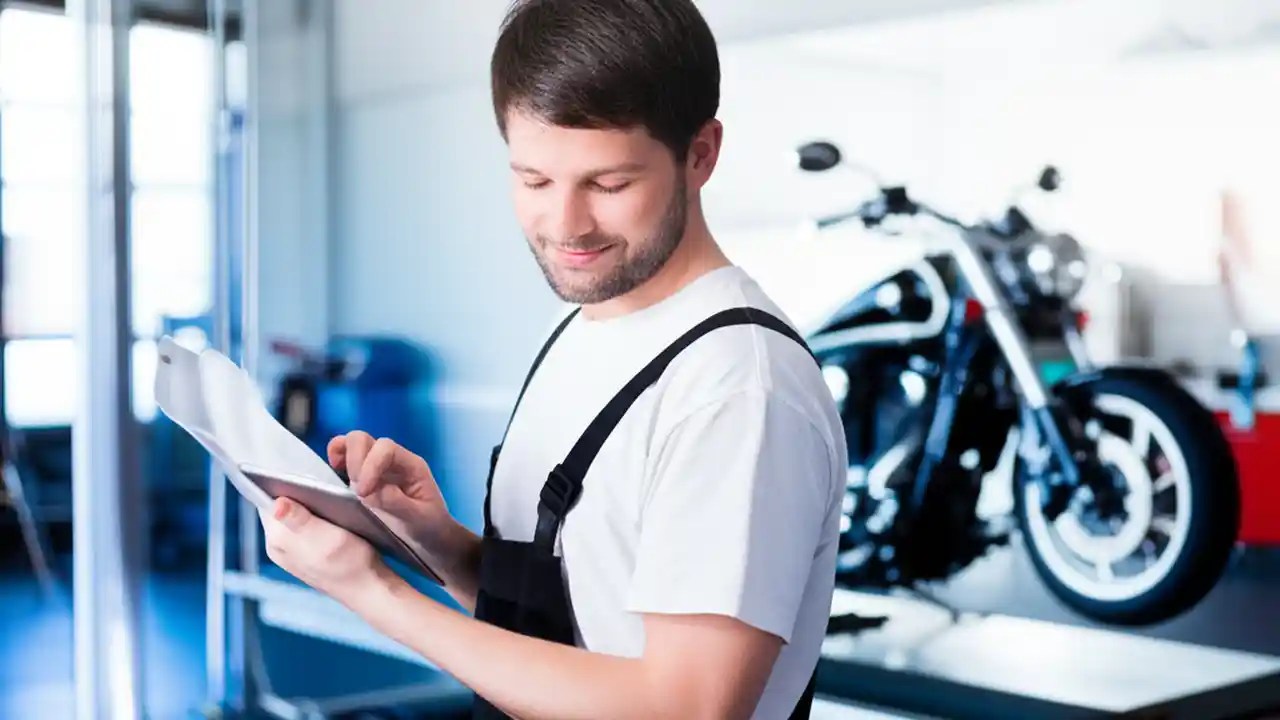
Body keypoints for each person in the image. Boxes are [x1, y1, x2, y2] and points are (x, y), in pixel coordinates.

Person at [259, 1, 847, 717]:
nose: (565, 226)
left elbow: (688, 707)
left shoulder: (737, 389)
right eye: (534, 179)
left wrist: (371, 592)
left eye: (608, 184)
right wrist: (437, 545)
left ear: (701, 154)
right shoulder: (582, 326)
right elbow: (580, 629)